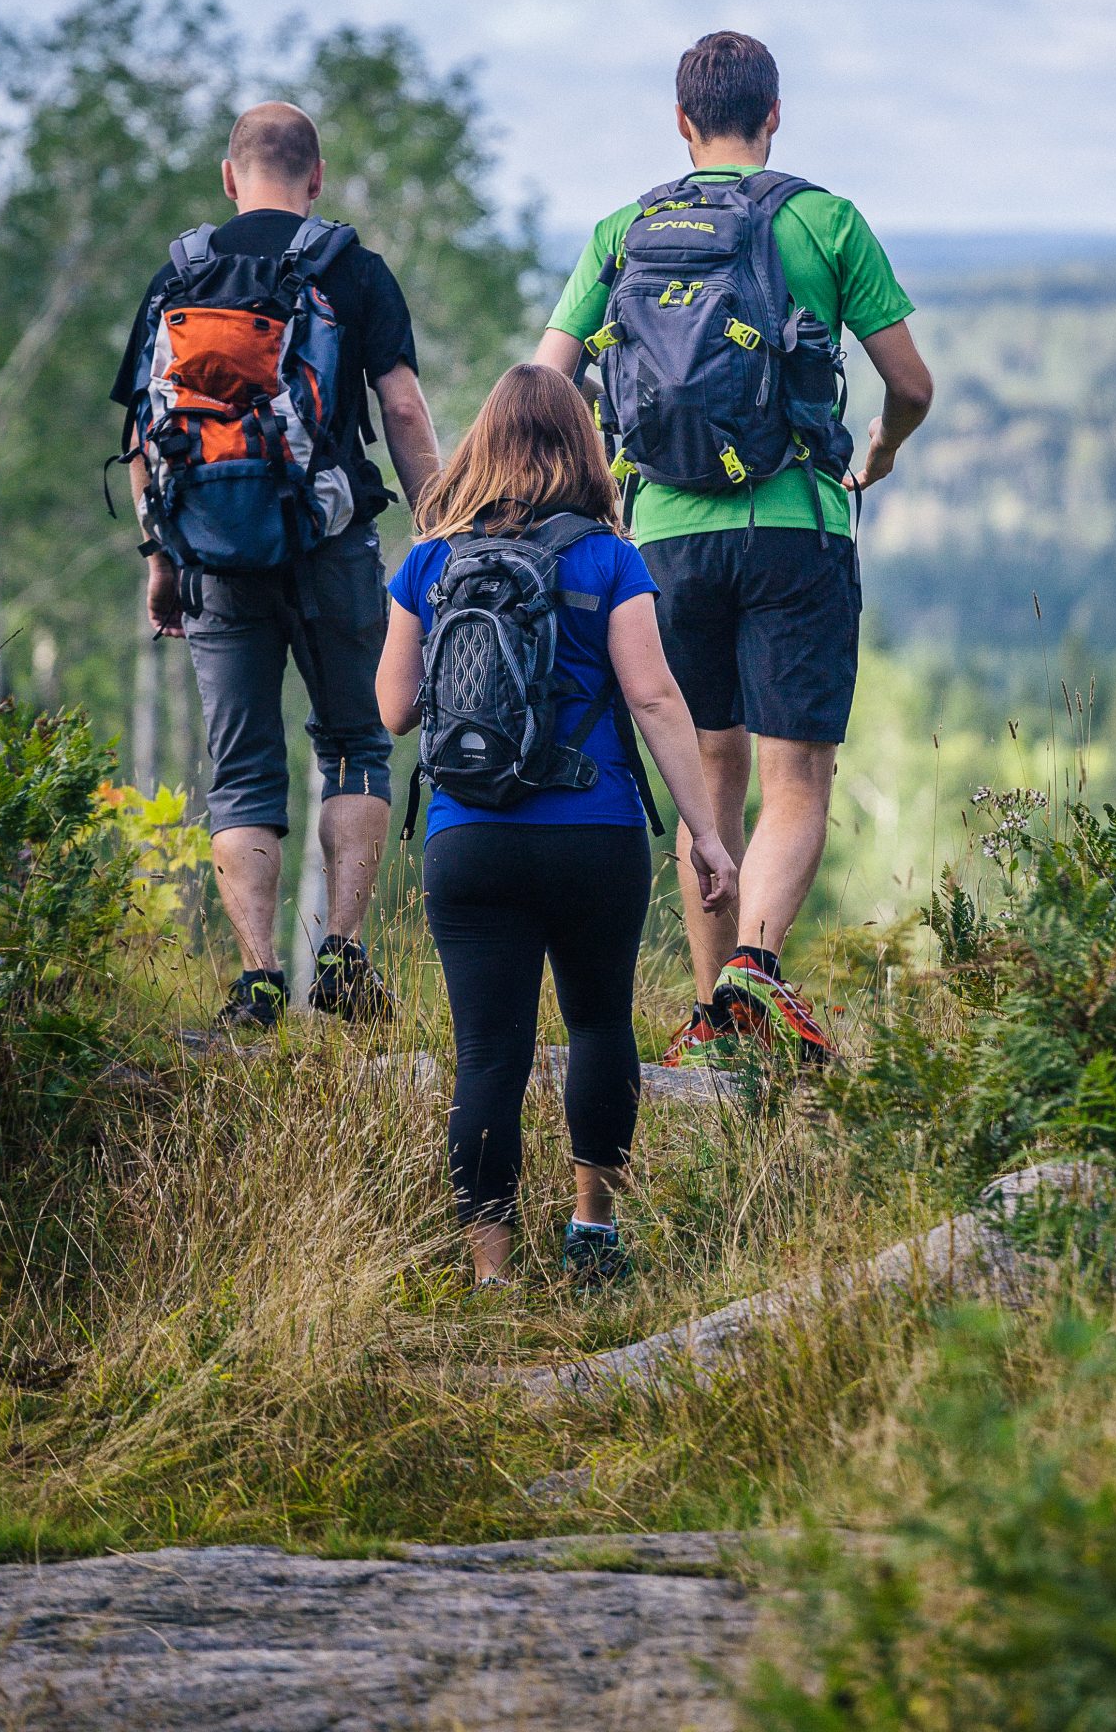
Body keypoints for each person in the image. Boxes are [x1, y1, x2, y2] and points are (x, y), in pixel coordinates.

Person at [536, 31, 933, 1065]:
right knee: (796, 774)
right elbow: (911, 383)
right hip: (797, 525)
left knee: (706, 774)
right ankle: (755, 966)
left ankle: (714, 1017)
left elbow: (545, 378)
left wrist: (602, 488)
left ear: (681, 121)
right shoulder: (825, 220)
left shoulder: (624, 230)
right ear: (774, 116)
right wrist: (881, 450)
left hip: (664, 538)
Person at [375, 363, 737, 1285]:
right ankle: (591, 1233)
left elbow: (393, 710)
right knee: (600, 1026)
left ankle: (491, 1273)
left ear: (480, 445)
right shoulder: (609, 559)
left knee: (485, 1058)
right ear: (583, 446)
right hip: (593, 830)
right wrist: (704, 833)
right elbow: (653, 698)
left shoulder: (429, 561)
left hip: (469, 838)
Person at [112, 100, 441, 1028]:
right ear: (316, 177)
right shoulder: (350, 267)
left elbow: (142, 434)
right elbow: (403, 409)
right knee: (355, 743)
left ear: (229, 177)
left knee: (241, 770)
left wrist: (161, 559)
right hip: (331, 546)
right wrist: (440, 532)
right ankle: (341, 953)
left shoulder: (179, 275)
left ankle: (257, 978)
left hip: (213, 560)